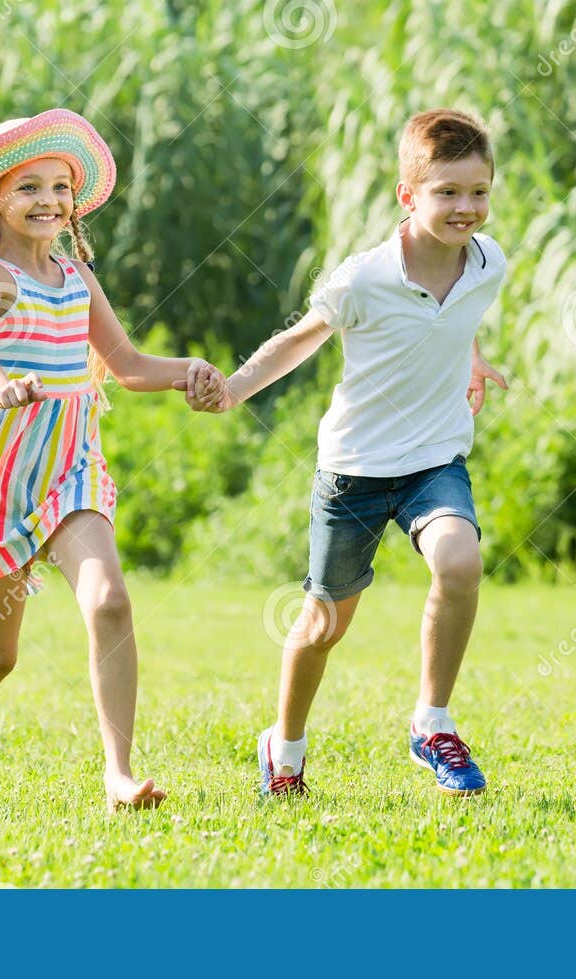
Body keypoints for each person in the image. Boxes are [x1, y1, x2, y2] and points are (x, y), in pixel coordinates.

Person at [0, 108, 223, 811]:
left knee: (108, 600)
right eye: (30, 188)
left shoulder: (74, 276)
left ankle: (120, 774)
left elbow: (127, 363)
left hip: (71, 464)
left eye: (60, 188)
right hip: (1, 472)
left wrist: (188, 369)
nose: (49, 201)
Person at [186, 108, 509, 797]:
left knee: (460, 560)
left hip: (434, 460)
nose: (465, 207)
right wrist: (236, 389)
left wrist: (473, 358)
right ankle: (287, 743)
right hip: (355, 472)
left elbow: (460, 316)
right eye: (447, 192)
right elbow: (300, 339)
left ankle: (433, 721)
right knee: (322, 623)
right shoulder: (363, 279)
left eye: (478, 191)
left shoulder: (489, 262)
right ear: (408, 196)